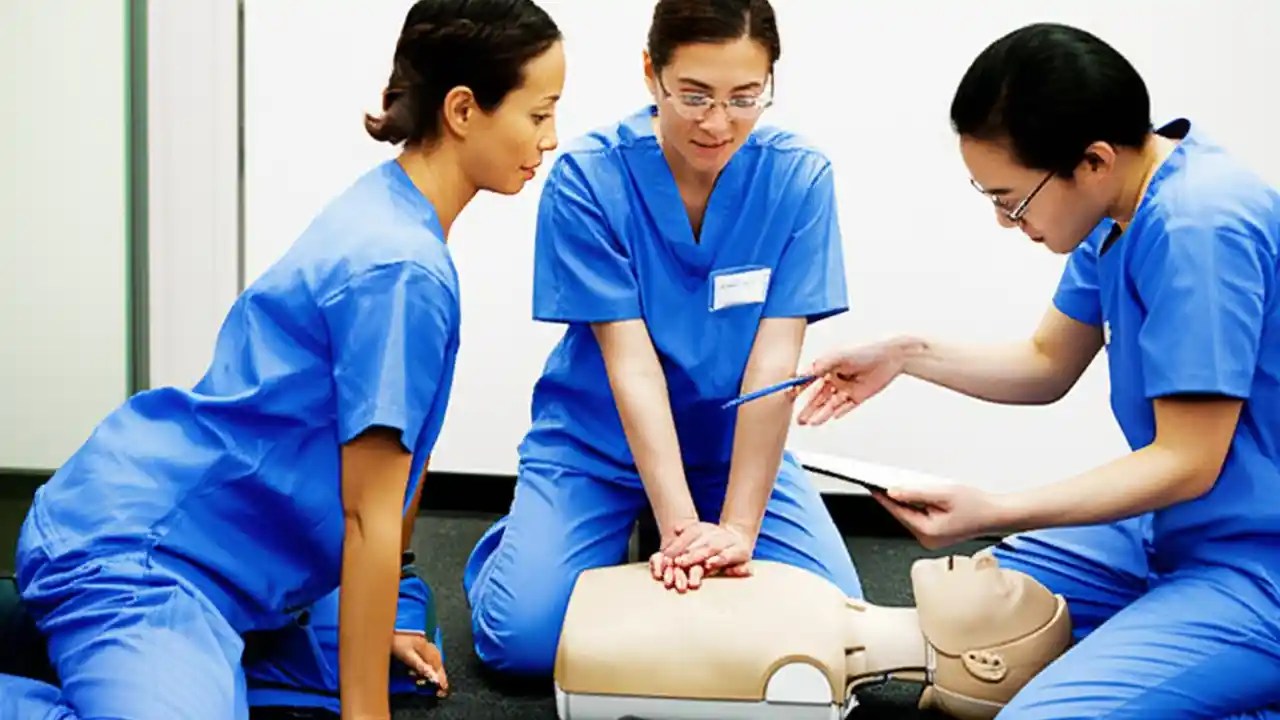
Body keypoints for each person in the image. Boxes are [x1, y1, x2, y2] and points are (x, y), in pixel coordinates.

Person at [0, 0, 564, 717]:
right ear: (462, 109)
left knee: (394, 651)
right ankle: (80, 638)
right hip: (141, 554)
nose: (549, 137)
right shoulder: (400, 265)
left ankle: (99, 650)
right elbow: (368, 517)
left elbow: (393, 475)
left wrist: (377, 633)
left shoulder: (395, 210)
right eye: (539, 114)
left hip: (230, 556)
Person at [798, 22, 1280, 719]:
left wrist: (996, 511)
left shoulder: (1198, 228)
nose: (1004, 221)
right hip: (1170, 528)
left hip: (1257, 563)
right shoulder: (1119, 208)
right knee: (968, 627)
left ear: (1092, 161)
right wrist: (904, 357)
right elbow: (1047, 364)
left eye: (1011, 199)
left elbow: (1187, 462)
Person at [463, 0, 863, 677]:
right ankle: (530, 542)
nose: (717, 123)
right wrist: (683, 533)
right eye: (695, 96)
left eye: (745, 98)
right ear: (651, 74)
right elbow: (633, 366)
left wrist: (737, 529)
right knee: (521, 644)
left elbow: (773, 361)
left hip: (729, 449)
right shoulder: (591, 178)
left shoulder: (798, 178)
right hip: (599, 443)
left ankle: (667, 529)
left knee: (833, 623)